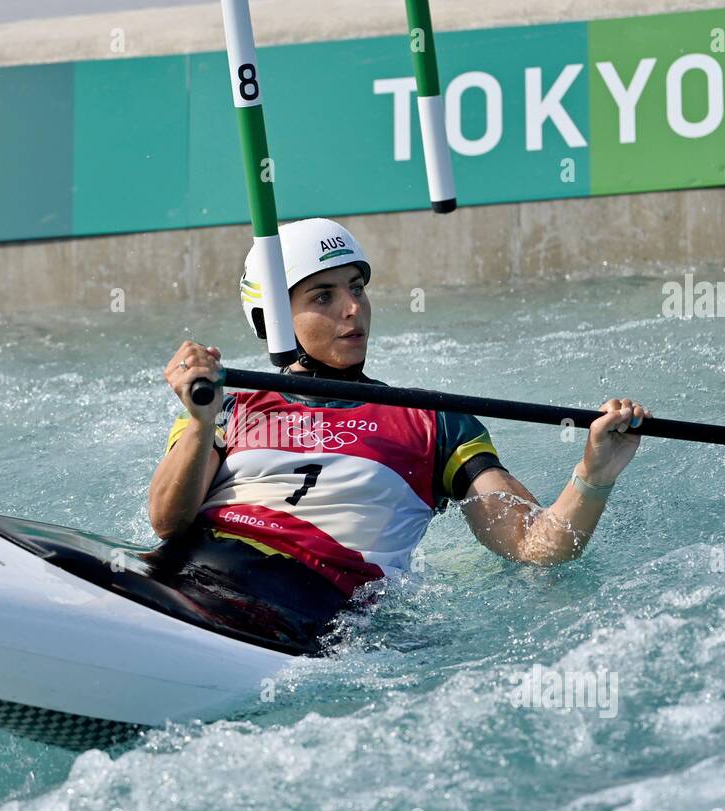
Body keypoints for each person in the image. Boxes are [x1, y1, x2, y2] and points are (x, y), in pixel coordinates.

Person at [147, 218, 650, 653]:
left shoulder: (436, 420)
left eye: (356, 289)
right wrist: (198, 422)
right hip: (187, 571)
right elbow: (168, 521)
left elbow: (535, 544)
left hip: (314, 607)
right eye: (324, 296)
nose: (352, 309)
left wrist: (594, 472)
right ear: (273, 319)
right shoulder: (227, 404)